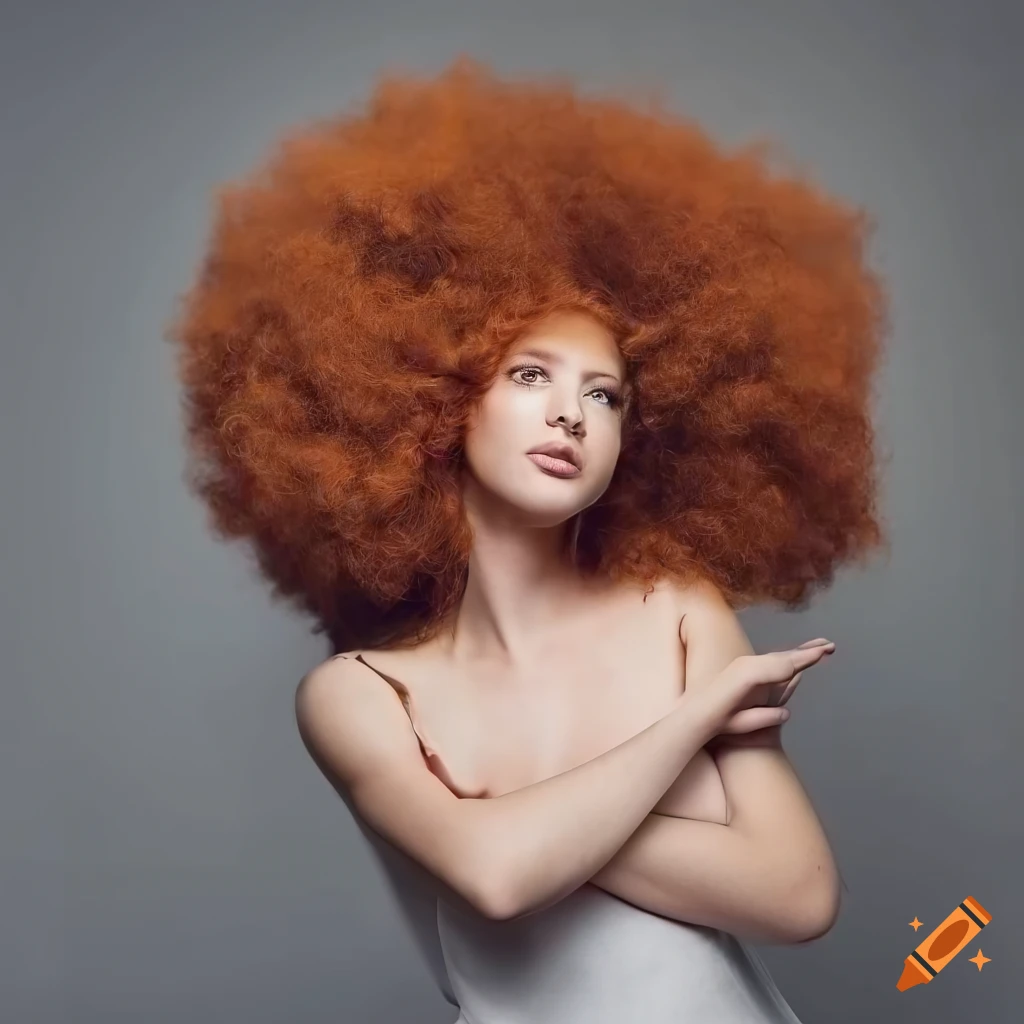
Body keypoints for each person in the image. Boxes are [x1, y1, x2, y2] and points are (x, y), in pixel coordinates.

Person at [167, 55, 887, 1023]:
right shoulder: (361, 695)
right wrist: (691, 720)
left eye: (604, 394)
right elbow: (499, 876)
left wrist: (508, 806)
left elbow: (797, 896)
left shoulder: (674, 609)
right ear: (433, 401)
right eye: (527, 376)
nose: (571, 417)